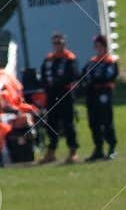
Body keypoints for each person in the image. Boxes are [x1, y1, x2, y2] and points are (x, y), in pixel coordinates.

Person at [38, 32, 80, 164]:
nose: (57, 46)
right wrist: (46, 85)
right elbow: (44, 74)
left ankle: (73, 151)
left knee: (68, 123)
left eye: (59, 43)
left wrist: (58, 82)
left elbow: (73, 74)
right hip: (51, 95)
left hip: (65, 94)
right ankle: (51, 152)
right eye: (55, 43)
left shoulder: (69, 58)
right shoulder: (49, 59)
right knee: (51, 123)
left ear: (64, 43)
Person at [79, 33, 118, 161]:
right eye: (95, 46)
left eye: (99, 46)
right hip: (92, 95)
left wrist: (93, 80)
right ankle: (98, 149)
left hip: (104, 94)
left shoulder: (110, 62)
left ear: (105, 47)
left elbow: (108, 76)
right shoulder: (91, 62)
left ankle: (112, 147)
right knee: (93, 123)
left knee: (106, 122)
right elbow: (82, 75)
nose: (97, 49)